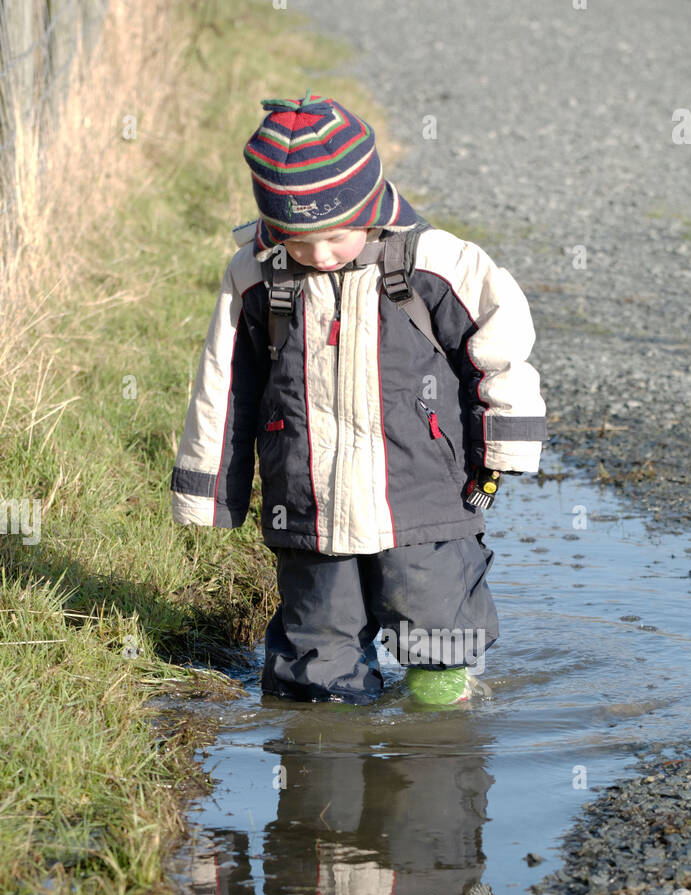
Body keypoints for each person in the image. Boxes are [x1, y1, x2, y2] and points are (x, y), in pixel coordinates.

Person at [171, 92, 546, 705]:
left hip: (424, 492)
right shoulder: (257, 274)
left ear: (368, 204)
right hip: (307, 498)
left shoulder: (434, 263)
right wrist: (209, 491)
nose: (317, 256)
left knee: (439, 627)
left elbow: (500, 348)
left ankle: (436, 749)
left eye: (334, 237)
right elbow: (223, 384)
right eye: (297, 240)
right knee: (315, 651)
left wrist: (502, 446)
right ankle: (325, 758)